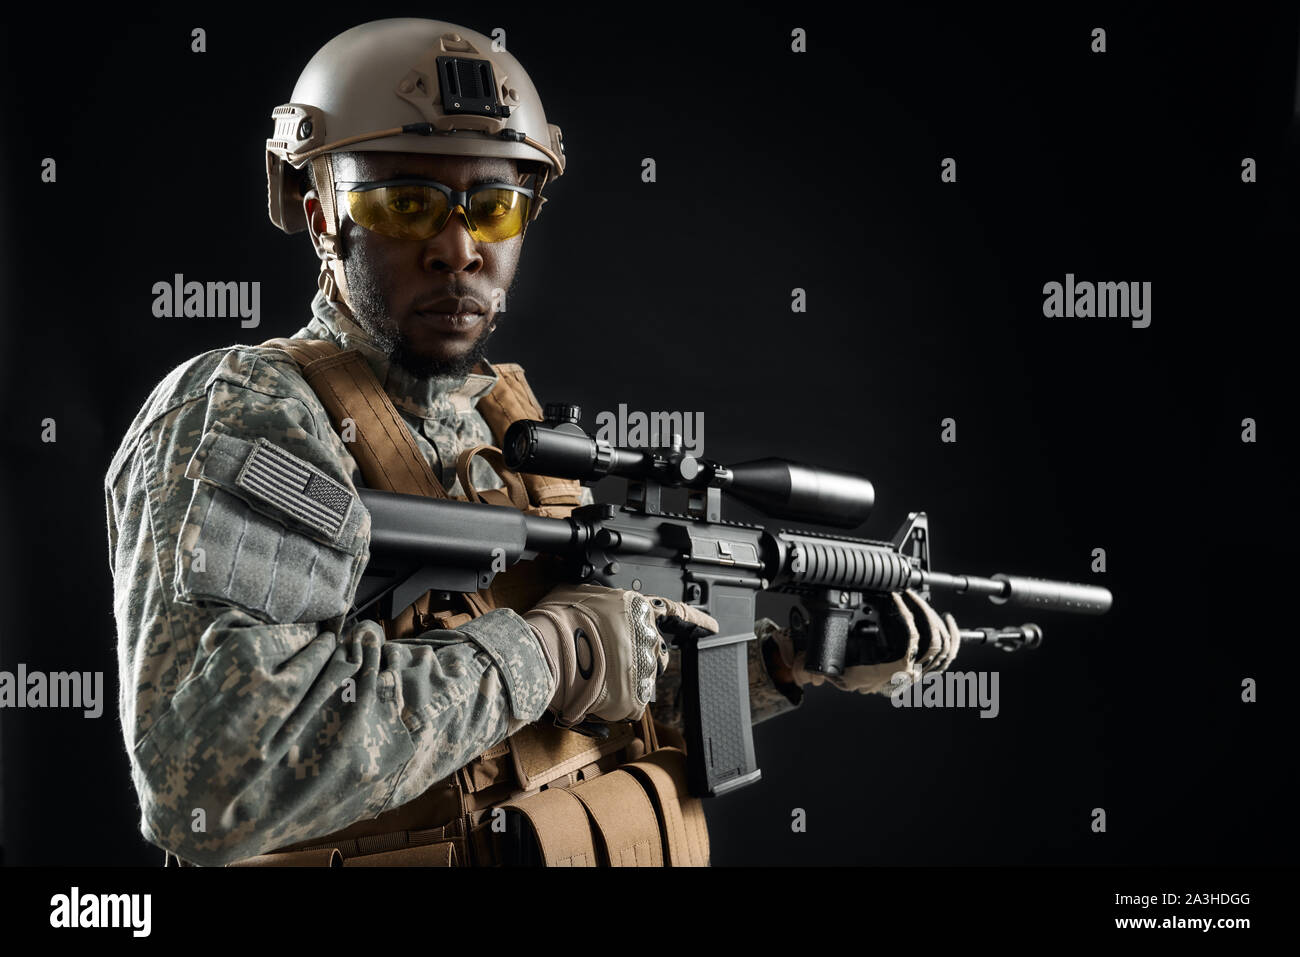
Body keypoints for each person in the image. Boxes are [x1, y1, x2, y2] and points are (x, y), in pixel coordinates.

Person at [104, 18, 961, 867]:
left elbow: (584, 718)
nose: (457, 248)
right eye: (405, 203)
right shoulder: (248, 412)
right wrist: (546, 651)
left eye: (495, 204)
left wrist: (787, 665)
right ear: (316, 208)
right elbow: (214, 782)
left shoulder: (504, 428)